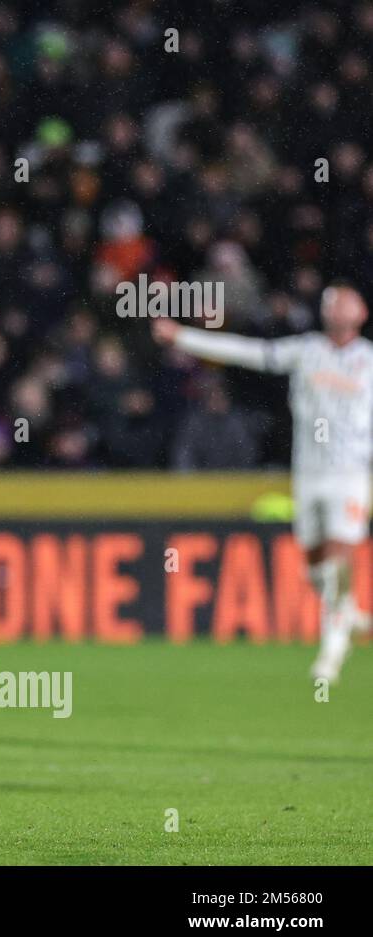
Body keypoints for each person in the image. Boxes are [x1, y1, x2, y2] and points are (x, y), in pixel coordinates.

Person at [153, 283, 373, 681]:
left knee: (340, 557)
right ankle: (352, 614)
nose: (338, 305)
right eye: (333, 299)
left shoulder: (369, 360)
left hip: (352, 473)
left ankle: (330, 656)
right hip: (308, 473)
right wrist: (183, 336)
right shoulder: (305, 351)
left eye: (347, 299)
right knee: (316, 569)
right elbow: (245, 352)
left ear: (361, 312)